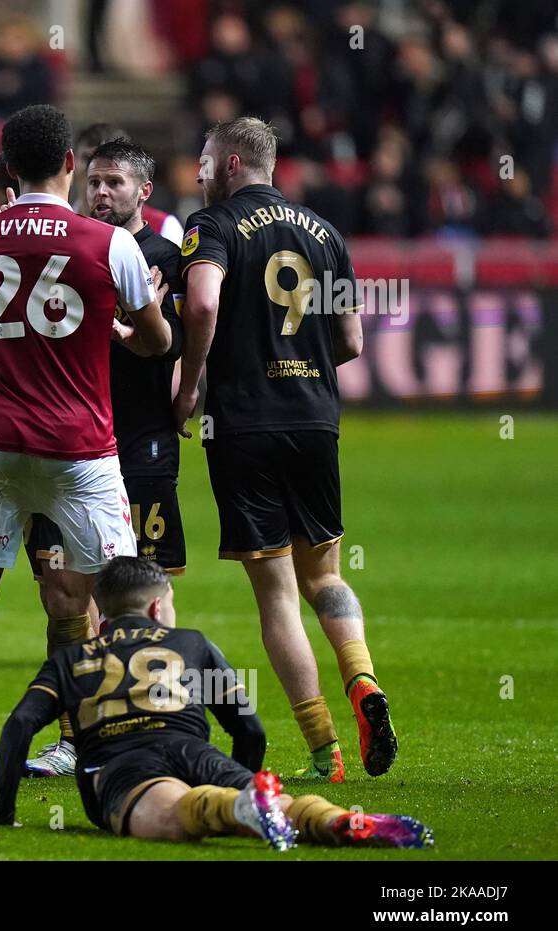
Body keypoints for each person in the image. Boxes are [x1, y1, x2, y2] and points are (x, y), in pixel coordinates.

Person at [0, 104, 170, 787]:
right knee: (122, 596)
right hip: (82, 447)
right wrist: (121, 333)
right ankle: (129, 736)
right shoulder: (111, 245)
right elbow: (158, 340)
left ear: (9, 165)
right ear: (68, 165)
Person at [174, 117, 395, 782]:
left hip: (244, 423)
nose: (198, 174)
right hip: (315, 420)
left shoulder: (209, 226)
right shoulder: (326, 232)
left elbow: (204, 304)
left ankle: (325, 749)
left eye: (206, 161)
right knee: (323, 574)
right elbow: (352, 341)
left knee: (275, 594)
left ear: (234, 162)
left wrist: (190, 384)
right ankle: (362, 679)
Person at [0, 557, 433, 849]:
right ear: (155, 610)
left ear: (103, 616)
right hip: (194, 752)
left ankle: (240, 807)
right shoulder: (192, 644)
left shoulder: (72, 658)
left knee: (172, 814)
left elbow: (19, 727)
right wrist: (240, 774)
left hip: (124, 766)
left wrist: (3, 814)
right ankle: (330, 819)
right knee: (278, 807)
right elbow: (249, 728)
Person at [23, 137, 189, 779]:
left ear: (144, 192)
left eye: (115, 183)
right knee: (63, 595)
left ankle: (156, 728)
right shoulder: (70, 250)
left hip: (138, 439)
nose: (100, 193)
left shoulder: (165, 258)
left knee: (143, 591)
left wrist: (139, 332)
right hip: (64, 447)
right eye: (94, 181)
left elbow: (170, 346)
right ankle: (77, 738)